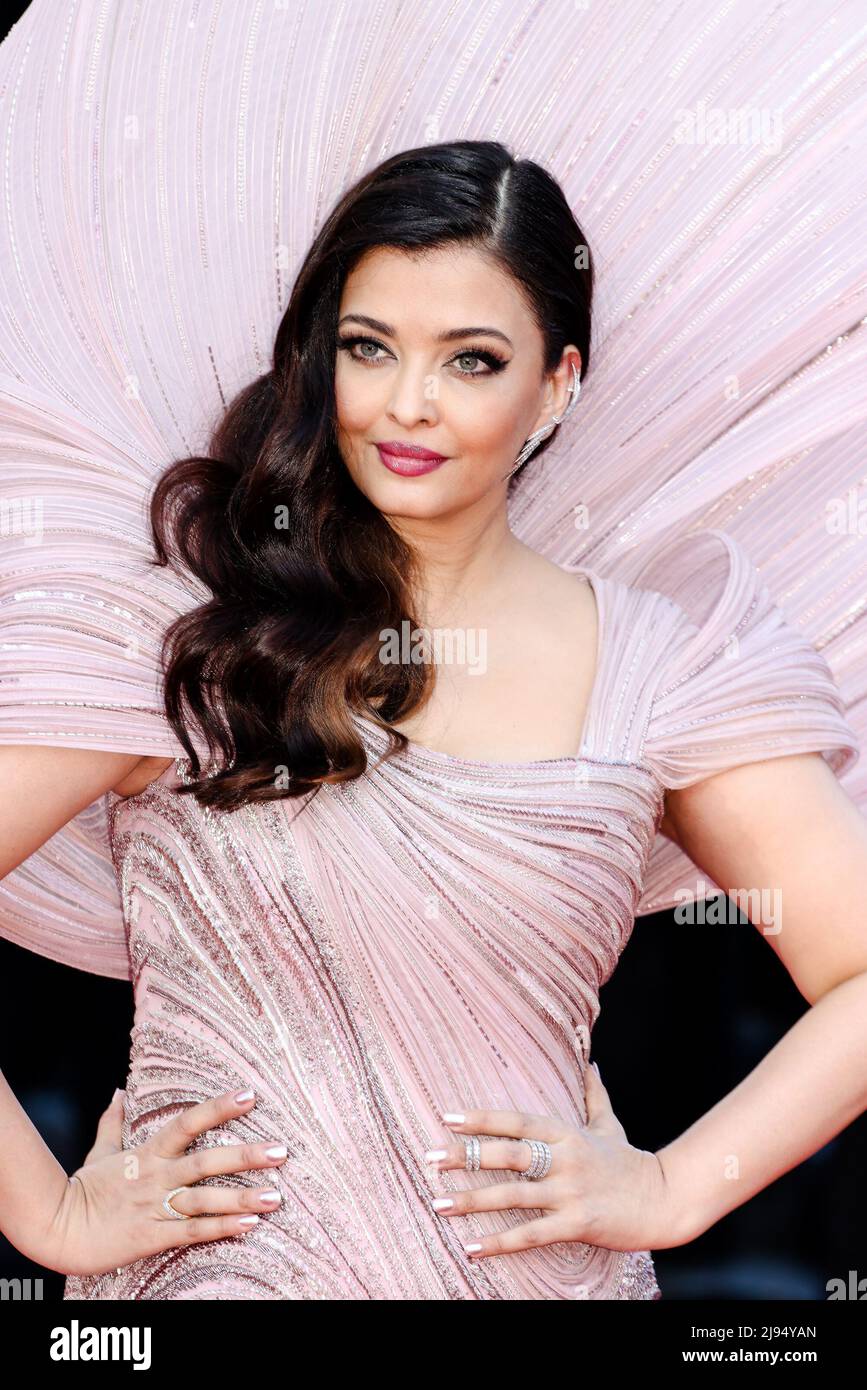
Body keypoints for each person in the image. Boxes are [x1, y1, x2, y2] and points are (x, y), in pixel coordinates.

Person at [2, 3, 866, 1301]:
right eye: (371, 347)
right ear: (318, 355)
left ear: (559, 382)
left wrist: (675, 1187)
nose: (410, 402)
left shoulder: (668, 667)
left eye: (472, 358)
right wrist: (52, 1217)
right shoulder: (184, 643)